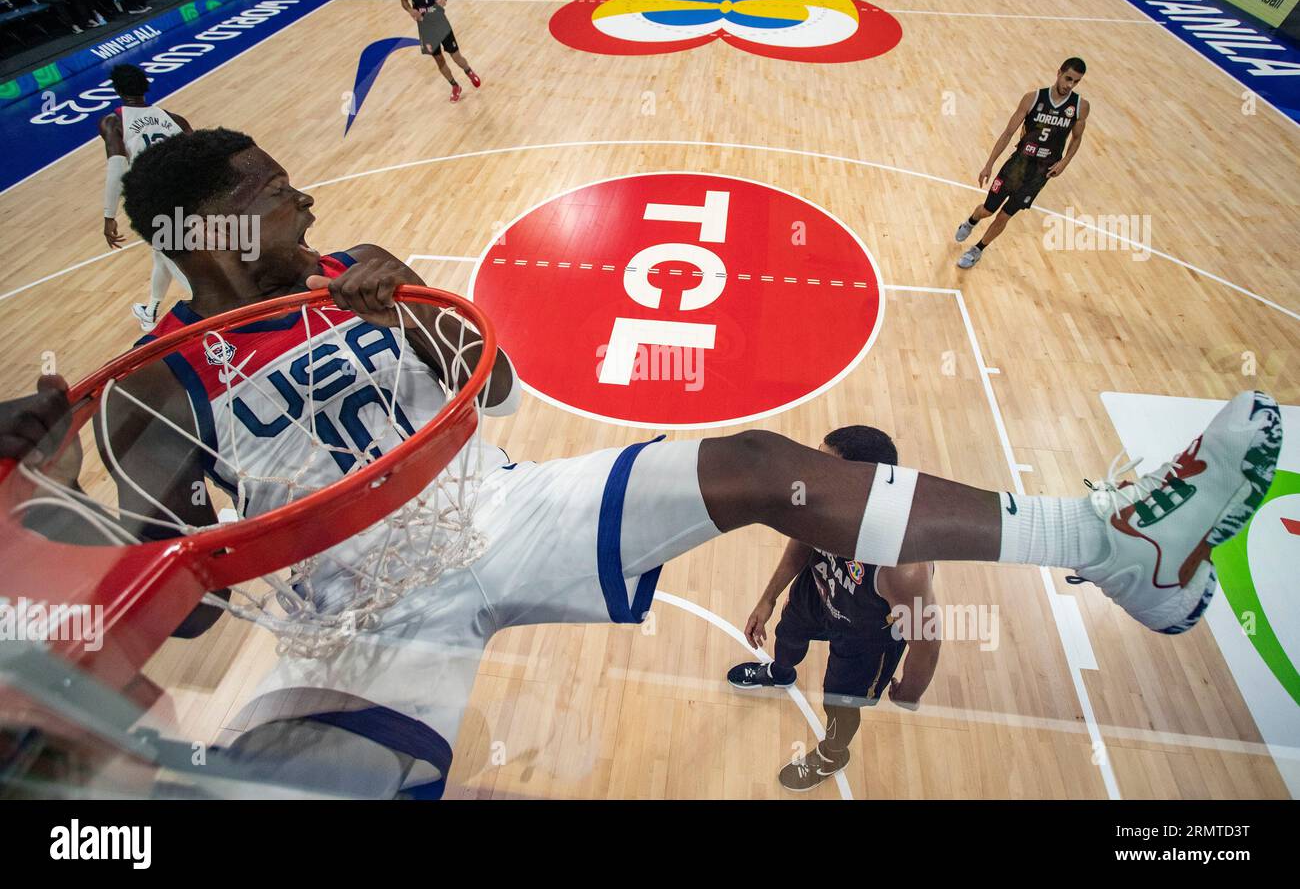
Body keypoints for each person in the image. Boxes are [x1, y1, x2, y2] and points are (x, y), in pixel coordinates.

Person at [7, 127, 1281, 798]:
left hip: (491, 509)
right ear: (210, 227)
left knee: (761, 466)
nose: (308, 206)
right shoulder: (155, 387)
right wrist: (65, 504)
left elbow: (493, 392)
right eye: (276, 193)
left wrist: (427, 320)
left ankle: (1123, 549)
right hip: (353, 614)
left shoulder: (356, 278)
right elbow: (182, 609)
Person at [727, 426, 939, 792]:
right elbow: (803, 541)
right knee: (788, 632)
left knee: (839, 700)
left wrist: (911, 692)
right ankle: (780, 672)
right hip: (822, 586)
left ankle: (833, 753)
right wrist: (768, 597)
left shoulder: (903, 563)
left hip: (866, 633)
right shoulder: (820, 497)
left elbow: (927, 640)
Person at [953, 58, 1090, 269]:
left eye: (1076, 81)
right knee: (988, 210)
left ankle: (977, 249)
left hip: (1041, 172)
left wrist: (1065, 161)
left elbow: (1077, 138)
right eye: (1068, 78)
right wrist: (989, 164)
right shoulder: (1033, 99)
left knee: (1005, 216)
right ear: (1058, 73)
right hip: (1018, 164)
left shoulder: (1080, 107)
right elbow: (1008, 132)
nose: (1070, 85)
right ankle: (971, 220)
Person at [97, 64, 194, 331]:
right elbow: (199, 157)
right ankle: (150, 310)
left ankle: (208, 312)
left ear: (116, 90)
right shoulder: (174, 118)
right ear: (145, 87)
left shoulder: (114, 121)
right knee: (162, 254)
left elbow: (116, 168)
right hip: (190, 194)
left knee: (173, 258)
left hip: (156, 199)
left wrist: (109, 215)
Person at [398, 0, 481, 103]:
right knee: (439, 60)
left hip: (440, 20)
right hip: (425, 25)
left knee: (456, 56)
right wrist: (410, 10)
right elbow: (403, 1)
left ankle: (469, 71)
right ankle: (455, 86)